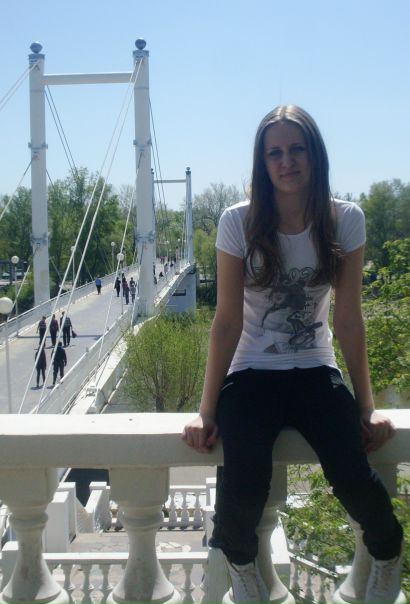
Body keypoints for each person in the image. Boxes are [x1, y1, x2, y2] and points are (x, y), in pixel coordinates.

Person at [182, 106, 404, 604]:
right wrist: (206, 411)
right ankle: (242, 565)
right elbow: (227, 322)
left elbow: (349, 319)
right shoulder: (238, 222)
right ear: (262, 163)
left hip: (315, 371)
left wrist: (367, 406)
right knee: (244, 485)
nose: (287, 161)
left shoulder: (345, 219)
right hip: (251, 372)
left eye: (297, 149)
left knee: (352, 474)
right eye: (275, 152)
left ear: (314, 155)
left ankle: (388, 551)